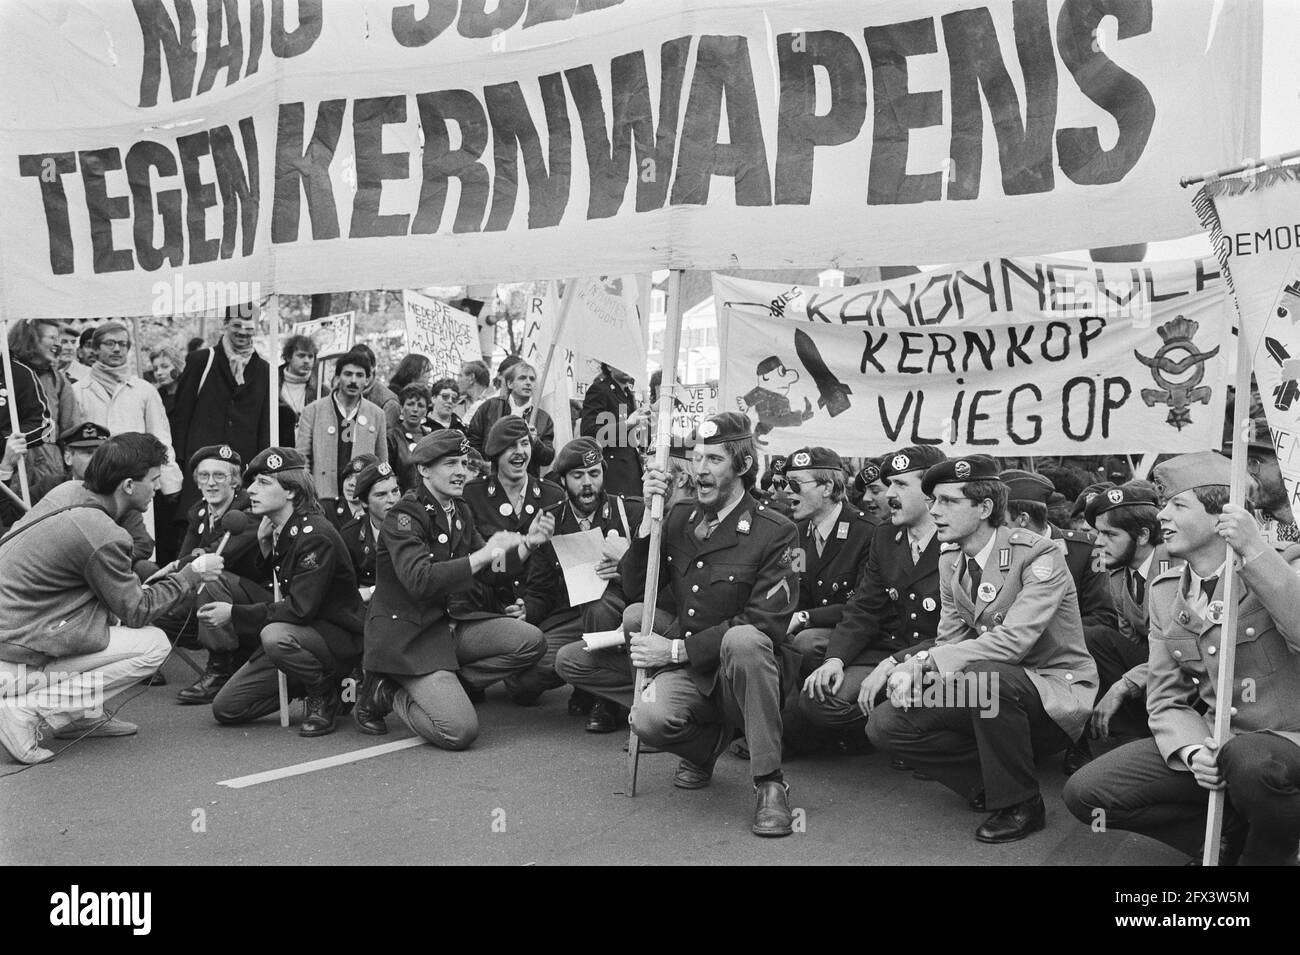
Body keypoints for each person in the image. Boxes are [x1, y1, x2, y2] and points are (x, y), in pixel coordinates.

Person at [1064, 452, 1300, 866]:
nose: (1162, 518)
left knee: (1250, 762)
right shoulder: (1165, 591)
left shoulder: (1281, 567)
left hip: (1285, 743)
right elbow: (1165, 697)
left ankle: (1276, 852)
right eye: (1162, 506)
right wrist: (1193, 752)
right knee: (1088, 792)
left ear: (1221, 514)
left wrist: (1255, 552)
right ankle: (1225, 841)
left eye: (1177, 505)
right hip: (1216, 742)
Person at [867, 455, 1097, 844]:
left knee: (984, 677)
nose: (935, 511)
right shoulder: (951, 559)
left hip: (1051, 696)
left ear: (985, 507)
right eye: (934, 500)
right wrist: (915, 668)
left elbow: (1013, 640)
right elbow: (950, 638)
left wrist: (923, 661)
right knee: (888, 721)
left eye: (948, 502)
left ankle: (1022, 804)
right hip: (989, 690)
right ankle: (985, 783)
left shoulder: (1039, 554)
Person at [621, 412, 801, 838]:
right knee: (646, 720)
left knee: (743, 639)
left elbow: (766, 623)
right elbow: (634, 587)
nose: (699, 470)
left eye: (714, 459)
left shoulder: (780, 531)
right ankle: (704, 749)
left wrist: (674, 652)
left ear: (741, 466)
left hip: (748, 673)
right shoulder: (680, 517)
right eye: (697, 457)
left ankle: (770, 782)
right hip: (698, 673)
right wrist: (650, 516)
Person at [0, 433, 222, 764]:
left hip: (15, 638)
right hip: (17, 657)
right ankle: (26, 712)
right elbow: (138, 610)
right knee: (154, 645)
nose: (157, 489)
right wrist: (190, 577)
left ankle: (81, 716)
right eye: (153, 481)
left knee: (108, 620)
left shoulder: (70, 492)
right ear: (129, 485)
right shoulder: (101, 532)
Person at [354, 430, 552, 745]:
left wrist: (527, 545)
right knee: (459, 731)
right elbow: (420, 580)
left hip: (445, 626)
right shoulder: (404, 517)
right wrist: (483, 554)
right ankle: (388, 691)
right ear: (423, 470)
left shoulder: (459, 511)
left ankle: (446, 684)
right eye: (449, 464)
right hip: (408, 637)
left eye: (462, 462)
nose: (460, 471)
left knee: (530, 641)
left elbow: (489, 572)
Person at [204, 448, 365, 737]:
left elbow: (301, 608)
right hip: (300, 639)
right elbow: (277, 588)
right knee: (227, 708)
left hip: (331, 638)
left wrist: (233, 614)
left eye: (264, 483)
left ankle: (324, 691)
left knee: (274, 636)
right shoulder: (281, 529)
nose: (251, 490)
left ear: (291, 491)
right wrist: (266, 547)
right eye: (253, 482)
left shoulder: (315, 535)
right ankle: (304, 680)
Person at [799, 446, 946, 756]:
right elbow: (865, 606)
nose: (890, 494)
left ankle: (910, 731)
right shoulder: (886, 536)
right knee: (818, 700)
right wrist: (835, 660)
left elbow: (961, 632)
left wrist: (896, 666)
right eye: (889, 484)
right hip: (890, 647)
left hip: (939, 660)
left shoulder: (956, 538)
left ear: (932, 492)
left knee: (977, 698)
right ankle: (889, 719)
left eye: (902, 485)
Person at [512, 437, 644, 709]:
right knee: (524, 683)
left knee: (598, 606)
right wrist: (528, 611)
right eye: (577, 475)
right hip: (572, 617)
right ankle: (584, 683)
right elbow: (541, 589)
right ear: (563, 481)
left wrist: (624, 568)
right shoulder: (550, 521)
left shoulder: (630, 512)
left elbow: (654, 582)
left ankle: (604, 701)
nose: (587, 483)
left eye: (594, 474)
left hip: (618, 613)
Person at [157, 445, 266, 705]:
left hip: (254, 600)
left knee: (211, 574)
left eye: (220, 476)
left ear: (236, 480)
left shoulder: (248, 511)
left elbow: (217, 556)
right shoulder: (199, 512)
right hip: (212, 600)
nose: (211, 483)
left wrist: (175, 566)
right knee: (157, 595)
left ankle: (220, 667)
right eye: (204, 476)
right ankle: (149, 658)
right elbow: (187, 562)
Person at [1081, 482, 1175, 743]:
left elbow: (1180, 650)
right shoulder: (1118, 575)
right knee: (1091, 638)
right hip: (1153, 664)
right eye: (1099, 533)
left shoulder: (1176, 566)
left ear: (1143, 536)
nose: (1099, 543)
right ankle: (1126, 731)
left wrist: (1124, 685)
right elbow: (1130, 640)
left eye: (1110, 535)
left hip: (1186, 671)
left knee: (1096, 637)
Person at [70, 323, 183, 526]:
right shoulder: (78, 391)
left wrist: (169, 482)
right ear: (95, 348)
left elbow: (161, 438)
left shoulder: (144, 390)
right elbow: (73, 444)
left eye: (122, 344)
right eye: (110, 343)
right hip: (94, 485)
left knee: (138, 544)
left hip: (137, 484)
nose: (117, 349)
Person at [782, 446, 876, 684]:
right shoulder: (797, 535)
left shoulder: (867, 533)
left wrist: (804, 618)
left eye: (795, 484)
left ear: (827, 488)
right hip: (807, 631)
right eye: (786, 483)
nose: (785, 491)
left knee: (805, 642)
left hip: (852, 634)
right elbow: (796, 589)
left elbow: (862, 606)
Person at [169, 307, 271, 517]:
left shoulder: (264, 370)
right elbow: (181, 417)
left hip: (240, 471)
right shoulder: (202, 360)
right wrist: (179, 465)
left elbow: (264, 424)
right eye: (236, 325)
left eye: (248, 326)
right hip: (200, 470)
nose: (242, 332)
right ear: (225, 325)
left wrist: (260, 470)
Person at [462, 416, 564, 622]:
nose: (520, 451)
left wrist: (532, 608)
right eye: (511, 446)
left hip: (541, 612)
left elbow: (554, 570)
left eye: (525, 443)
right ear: (496, 453)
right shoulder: (473, 495)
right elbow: (480, 565)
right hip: (487, 609)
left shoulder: (552, 495)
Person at [56, 422, 157, 581]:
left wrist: (107, 560)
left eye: (100, 453)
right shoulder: (50, 488)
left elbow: (143, 543)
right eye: (88, 453)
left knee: (146, 568)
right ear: (68, 457)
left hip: (104, 570)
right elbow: (9, 514)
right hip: (62, 572)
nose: (96, 460)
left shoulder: (118, 492)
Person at [296, 349, 388, 521]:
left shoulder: (377, 414)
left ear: (367, 380)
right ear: (337, 377)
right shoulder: (313, 411)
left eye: (360, 375)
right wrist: (309, 494)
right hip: (322, 498)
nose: (353, 380)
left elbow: (382, 461)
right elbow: (302, 459)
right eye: (348, 374)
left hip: (360, 502)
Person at [7, 318, 76, 501]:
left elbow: (72, 431)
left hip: (50, 468)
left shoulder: (59, 381)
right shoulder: (8, 375)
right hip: (12, 464)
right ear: (31, 339)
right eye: (52, 338)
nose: (58, 344)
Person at [467, 361, 555, 476]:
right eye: (522, 378)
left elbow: (547, 458)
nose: (528, 383)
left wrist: (536, 442)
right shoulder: (489, 407)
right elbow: (473, 442)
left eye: (532, 379)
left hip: (525, 482)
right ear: (509, 383)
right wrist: (484, 465)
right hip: (491, 479)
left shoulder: (543, 418)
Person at [580, 363, 648, 497]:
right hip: (612, 476)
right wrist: (627, 424)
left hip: (631, 474)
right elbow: (589, 432)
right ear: (609, 366)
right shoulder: (599, 390)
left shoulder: (628, 394)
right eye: (623, 361)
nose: (628, 364)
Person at [340, 461, 402, 598]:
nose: (392, 500)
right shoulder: (351, 534)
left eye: (395, 491)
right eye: (381, 495)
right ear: (364, 502)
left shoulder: (414, 524)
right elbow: (346, 591)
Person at [388, 386, 433, 491]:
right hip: (402, 498)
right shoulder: (391, 437)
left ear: (426, 411)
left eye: (420, 405)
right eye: (410, 404)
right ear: (402, 408)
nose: (415, 409)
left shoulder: (431, 438)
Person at [278, 334, 318, 436]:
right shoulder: (271, 384)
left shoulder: (320, 390)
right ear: (288, 357)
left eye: (310, 356)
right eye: (301, 355)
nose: (306, 361)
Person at [354, 344, 401, 430]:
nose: (359, 370)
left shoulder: (389, 403)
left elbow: (381, 437)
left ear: (373, 367)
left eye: (363, 365)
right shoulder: (341, 396)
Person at [148, 348, 182, 415]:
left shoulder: (188, 393)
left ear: (177, 367)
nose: (158, 372)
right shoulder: (156, 396)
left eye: (165, 367)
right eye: (155, 369)